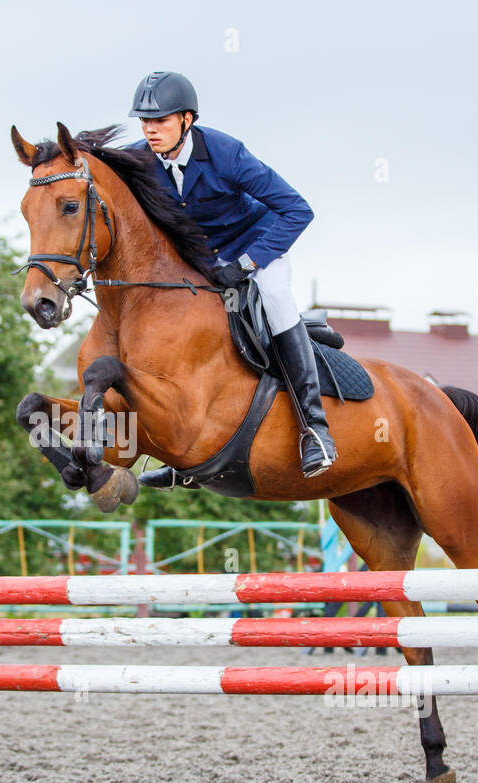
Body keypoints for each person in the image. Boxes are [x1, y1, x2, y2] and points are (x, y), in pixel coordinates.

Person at [126, 71, 337, 481]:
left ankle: (315, 429)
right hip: (201, 262)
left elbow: (297, 210)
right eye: (145, 122)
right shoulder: (138, 160)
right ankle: (183, 455)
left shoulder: (226, 154)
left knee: (275, 297)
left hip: (256, 247)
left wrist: (246, 264)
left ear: (187, 120)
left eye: (161, 121)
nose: (151, 131)